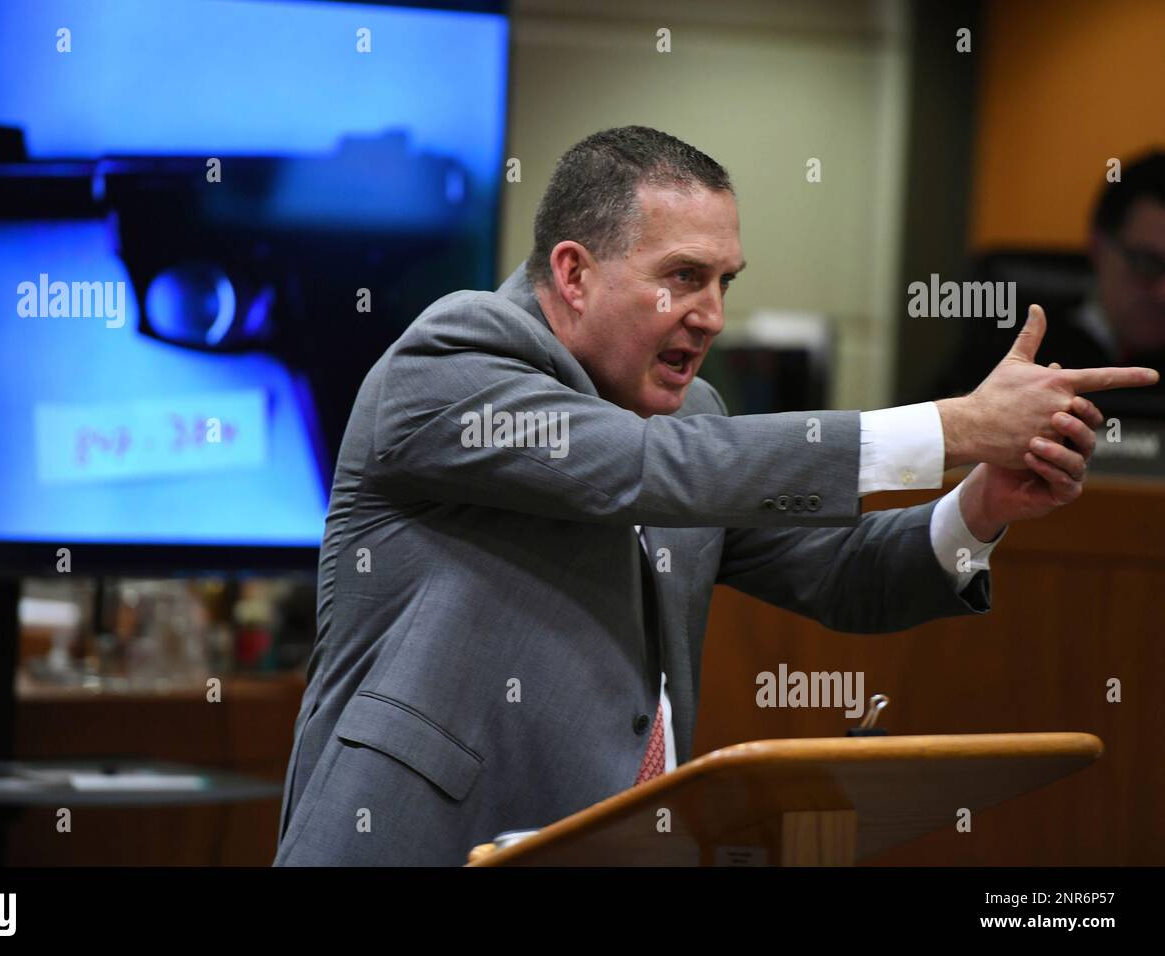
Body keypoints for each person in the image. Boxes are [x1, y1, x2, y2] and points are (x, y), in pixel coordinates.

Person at [273, 126, 1157, 866]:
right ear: (574, 274)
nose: (713, 315)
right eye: (684, 277)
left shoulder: (691, 419)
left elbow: (844, 574)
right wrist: (951, 427)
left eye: (725, 281)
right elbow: (645, 468)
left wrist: (983, 503)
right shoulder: (451, 362)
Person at [935, 151, 1165, 420]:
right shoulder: (1011, 350)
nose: (1163, 293)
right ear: (1099, 245)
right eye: (1147, 263)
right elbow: (940, 440)